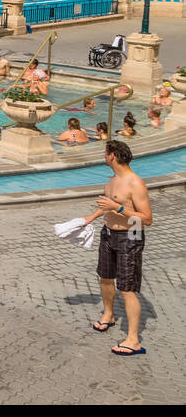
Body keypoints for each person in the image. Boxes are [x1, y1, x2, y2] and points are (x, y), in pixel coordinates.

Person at [83, 140, 152, 355]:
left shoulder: (135, 183)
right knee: (104, 277)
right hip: (108, 234)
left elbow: (147, 219)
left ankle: (133, 340)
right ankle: (109, 315)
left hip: (129, 236)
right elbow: (107, 207)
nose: (104, 156)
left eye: (105, 153)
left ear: (112, 155)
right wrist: (89, 218)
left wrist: (119, 207)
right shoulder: (112, 181)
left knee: (127, 288)